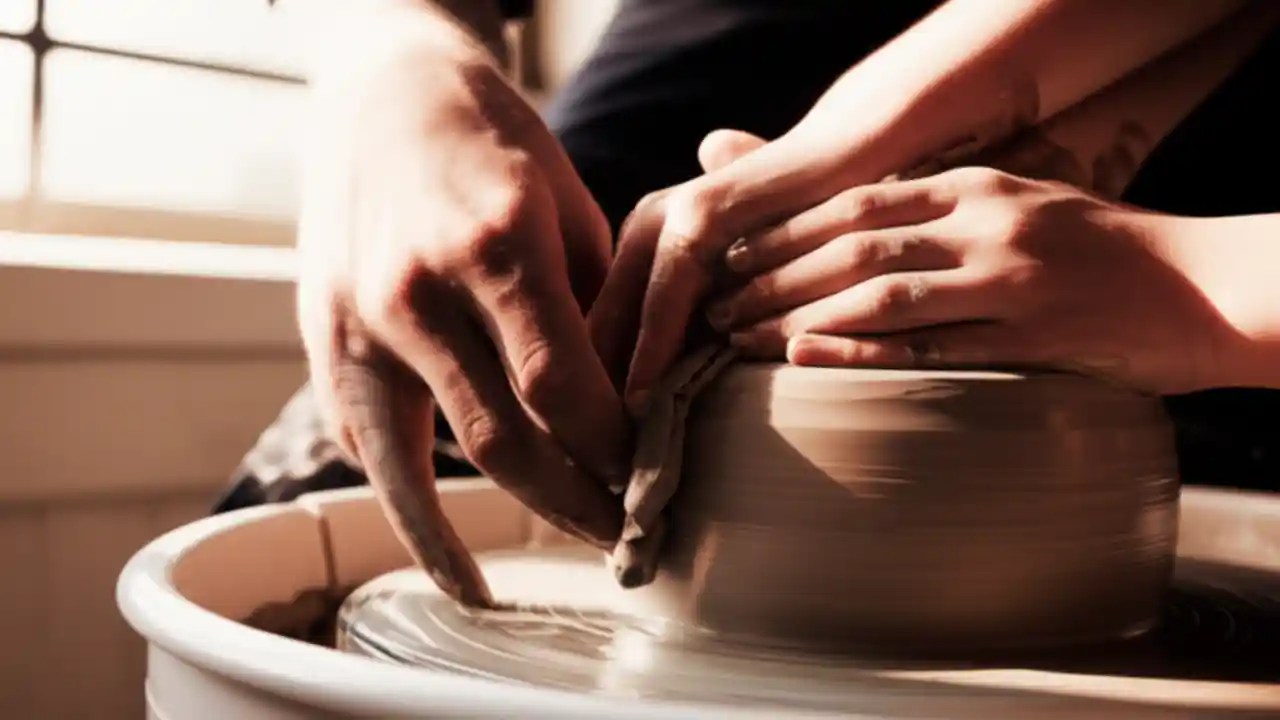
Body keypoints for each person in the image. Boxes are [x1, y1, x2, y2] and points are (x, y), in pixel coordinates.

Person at [218, 0, 1280, 549]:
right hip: (592, 260)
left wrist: (1203, 280)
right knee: (316, 520)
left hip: (1180, 386)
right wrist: (388, 61)